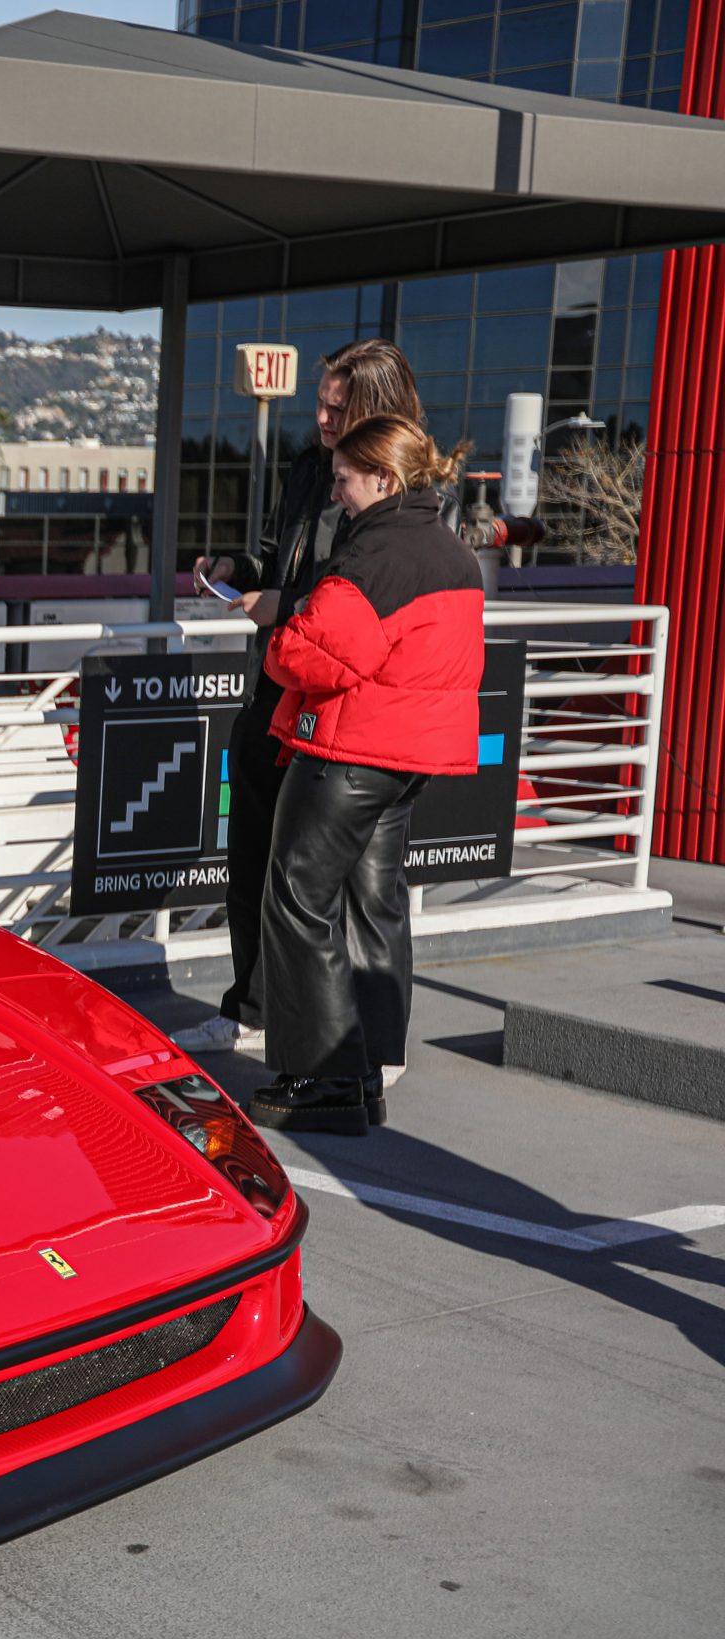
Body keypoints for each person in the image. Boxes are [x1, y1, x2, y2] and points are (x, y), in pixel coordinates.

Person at [171, 338, 457, 1062]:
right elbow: (283, 560)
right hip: (275, 691)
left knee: (357, 891)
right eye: (321, 404)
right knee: (254, 864)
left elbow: (364, 603)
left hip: (341, 717)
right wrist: (239, 569)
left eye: (338, 406)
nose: (323, 418)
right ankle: (256, 1012)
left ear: (376, 412)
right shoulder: (311, 472)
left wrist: (285, 605)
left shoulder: (402, 498)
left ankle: (359, 1052)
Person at [248, 414, 483, 1135]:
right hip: (408, 758)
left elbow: (305, 654)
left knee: (298, 897)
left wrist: (285, 625)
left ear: (383, 478)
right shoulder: (450, 550)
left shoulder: (376, 554)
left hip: (351, 750)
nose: (336, 492)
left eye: (344, 479)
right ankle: (369, 1069)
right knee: (375, 903)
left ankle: (326, 1077)